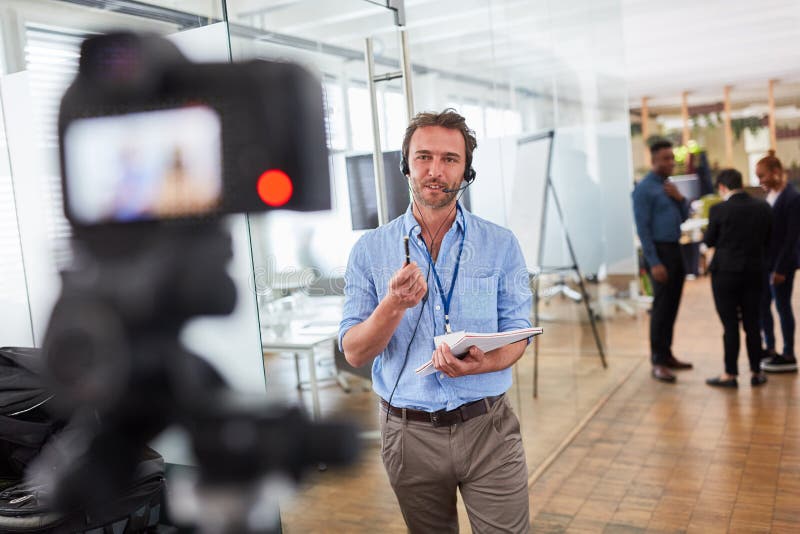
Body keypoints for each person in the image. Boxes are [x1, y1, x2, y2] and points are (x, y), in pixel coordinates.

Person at [339, 109, 532, 533]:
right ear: (406, 164)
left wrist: (482, 363)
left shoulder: (500, 245)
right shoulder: (369, 250)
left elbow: (520, 332)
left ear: (466, 170)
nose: (435, 170)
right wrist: (393, 304)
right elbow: (354, 351)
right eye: (424, 157)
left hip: (489, 428)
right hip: (409, 434)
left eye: (450, 159)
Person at [632, 139, 694, 383]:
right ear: (654, 160)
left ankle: (667, 354)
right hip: (659, 252)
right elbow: (643, 229)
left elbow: (682, 219)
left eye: (672, 158)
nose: (671, 162)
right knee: (660, 309)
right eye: (666, 158)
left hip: (675, 249)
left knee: (672, 306)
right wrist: (654, 262)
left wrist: (679, 199)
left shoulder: (668, 186)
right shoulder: (644, 189)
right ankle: (657, 361)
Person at [703, 169, 772, 388]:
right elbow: (769, 239)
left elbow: (710, 241)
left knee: (730, 325)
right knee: (753, 323)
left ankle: (730, 374)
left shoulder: (718, 209)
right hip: (754, 272)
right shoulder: (763, 207)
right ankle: (756, 372)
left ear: (722, 187)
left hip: (725, 274)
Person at [757, 151, 800, 373]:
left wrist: (781, 269)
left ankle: (788, 353)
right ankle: (770, 348)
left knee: (783, 307)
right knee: (763, 306)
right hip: (767, 263)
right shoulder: (771, 195)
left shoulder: (792, 197)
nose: (760, 181)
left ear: (775, 173)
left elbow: (791, 238)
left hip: (781, 265)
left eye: (762, 176)